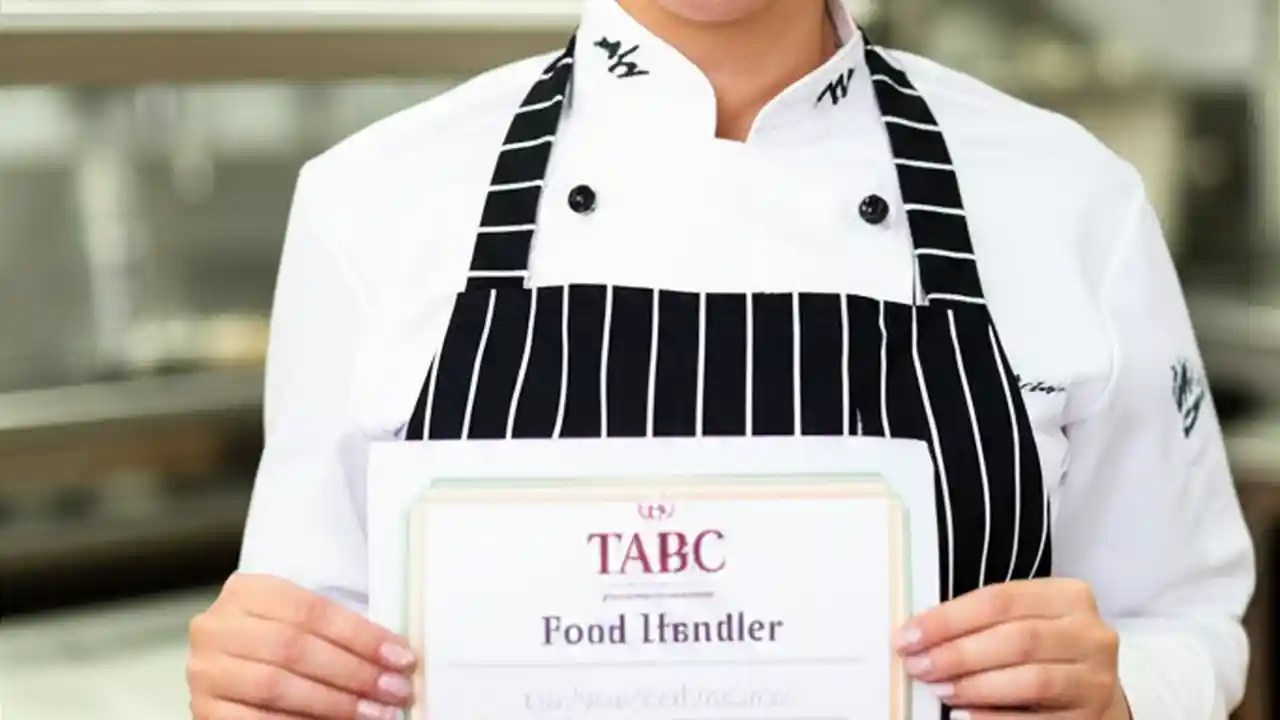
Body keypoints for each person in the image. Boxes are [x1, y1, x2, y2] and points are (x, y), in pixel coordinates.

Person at [186, 0, 1256, 718]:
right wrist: (264, 679)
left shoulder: (1067, 194)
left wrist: (1126, 693)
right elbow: (314, 644)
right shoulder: (371, 201)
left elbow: (1184, 620)